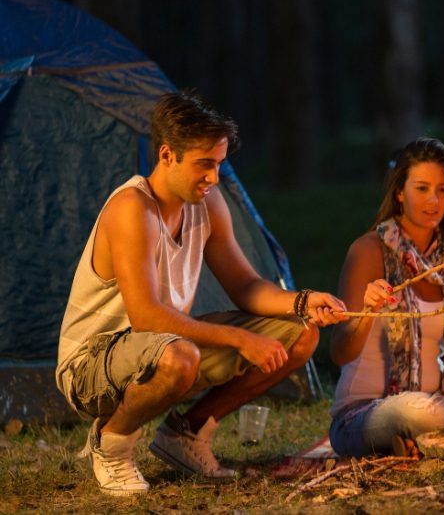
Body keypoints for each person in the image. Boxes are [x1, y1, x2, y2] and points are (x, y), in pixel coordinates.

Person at [56, 91, 348, 496]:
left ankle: (186, 435)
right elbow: (146, 318)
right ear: (166, 155)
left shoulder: (206, 206)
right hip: (90, 366)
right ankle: (111, 443)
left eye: (219, 164)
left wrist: (304, 301)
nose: (213, 177)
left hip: (163, 346)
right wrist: (241, 339)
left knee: (301, 334)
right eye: (204, 165)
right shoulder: (132, 209)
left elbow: (246, 287)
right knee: (180, 356)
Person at [328, 137, 444, 457]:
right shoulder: (368, 251)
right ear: (400, 192)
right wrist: (368, 312)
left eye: (443, 189)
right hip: (366, 414)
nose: (434, 201)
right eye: (422, 188)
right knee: (418, 411)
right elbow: (340, 352)